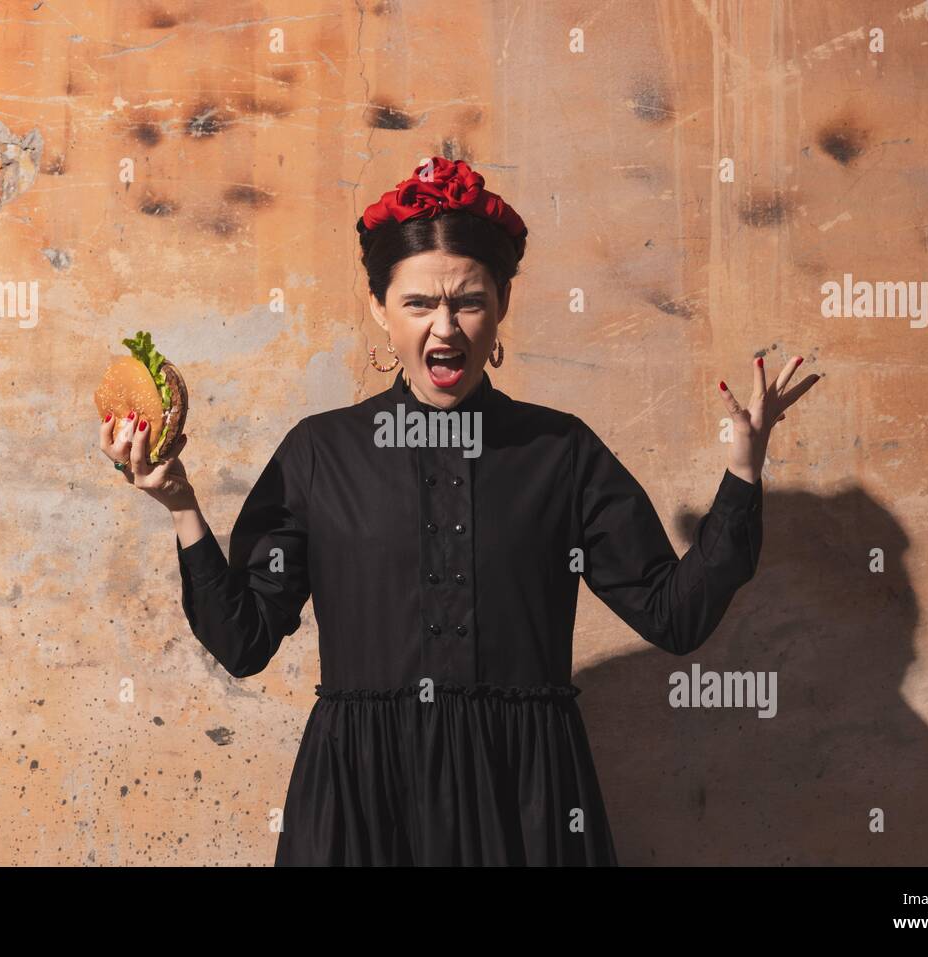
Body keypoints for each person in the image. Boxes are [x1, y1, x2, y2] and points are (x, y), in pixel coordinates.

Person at [99, 156, 821, 865]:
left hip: (528, 807)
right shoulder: (319, 454)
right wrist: (181, 505)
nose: (444, 328)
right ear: (379, 308)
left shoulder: (560, 451)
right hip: (361, 807)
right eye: (418, 303)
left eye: (468, 301)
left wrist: (742, 468)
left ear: (501, 304)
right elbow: (244, 641)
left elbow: (675, 615)